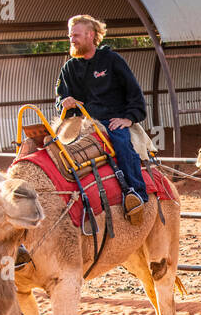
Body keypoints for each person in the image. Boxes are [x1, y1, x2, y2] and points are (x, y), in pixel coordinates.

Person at [56, 14, 149, 221]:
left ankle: (137, 196)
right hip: (82, 124)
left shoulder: (112, 60)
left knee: (123, 147)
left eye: (76, 35)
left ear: (90, 35)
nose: (72, 40)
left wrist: (128, 118)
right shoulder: (69, 68)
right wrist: (64, 101)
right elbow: (60, 97)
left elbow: (135, 94)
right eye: (70, 36)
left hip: (111, 121)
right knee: (59, 152)